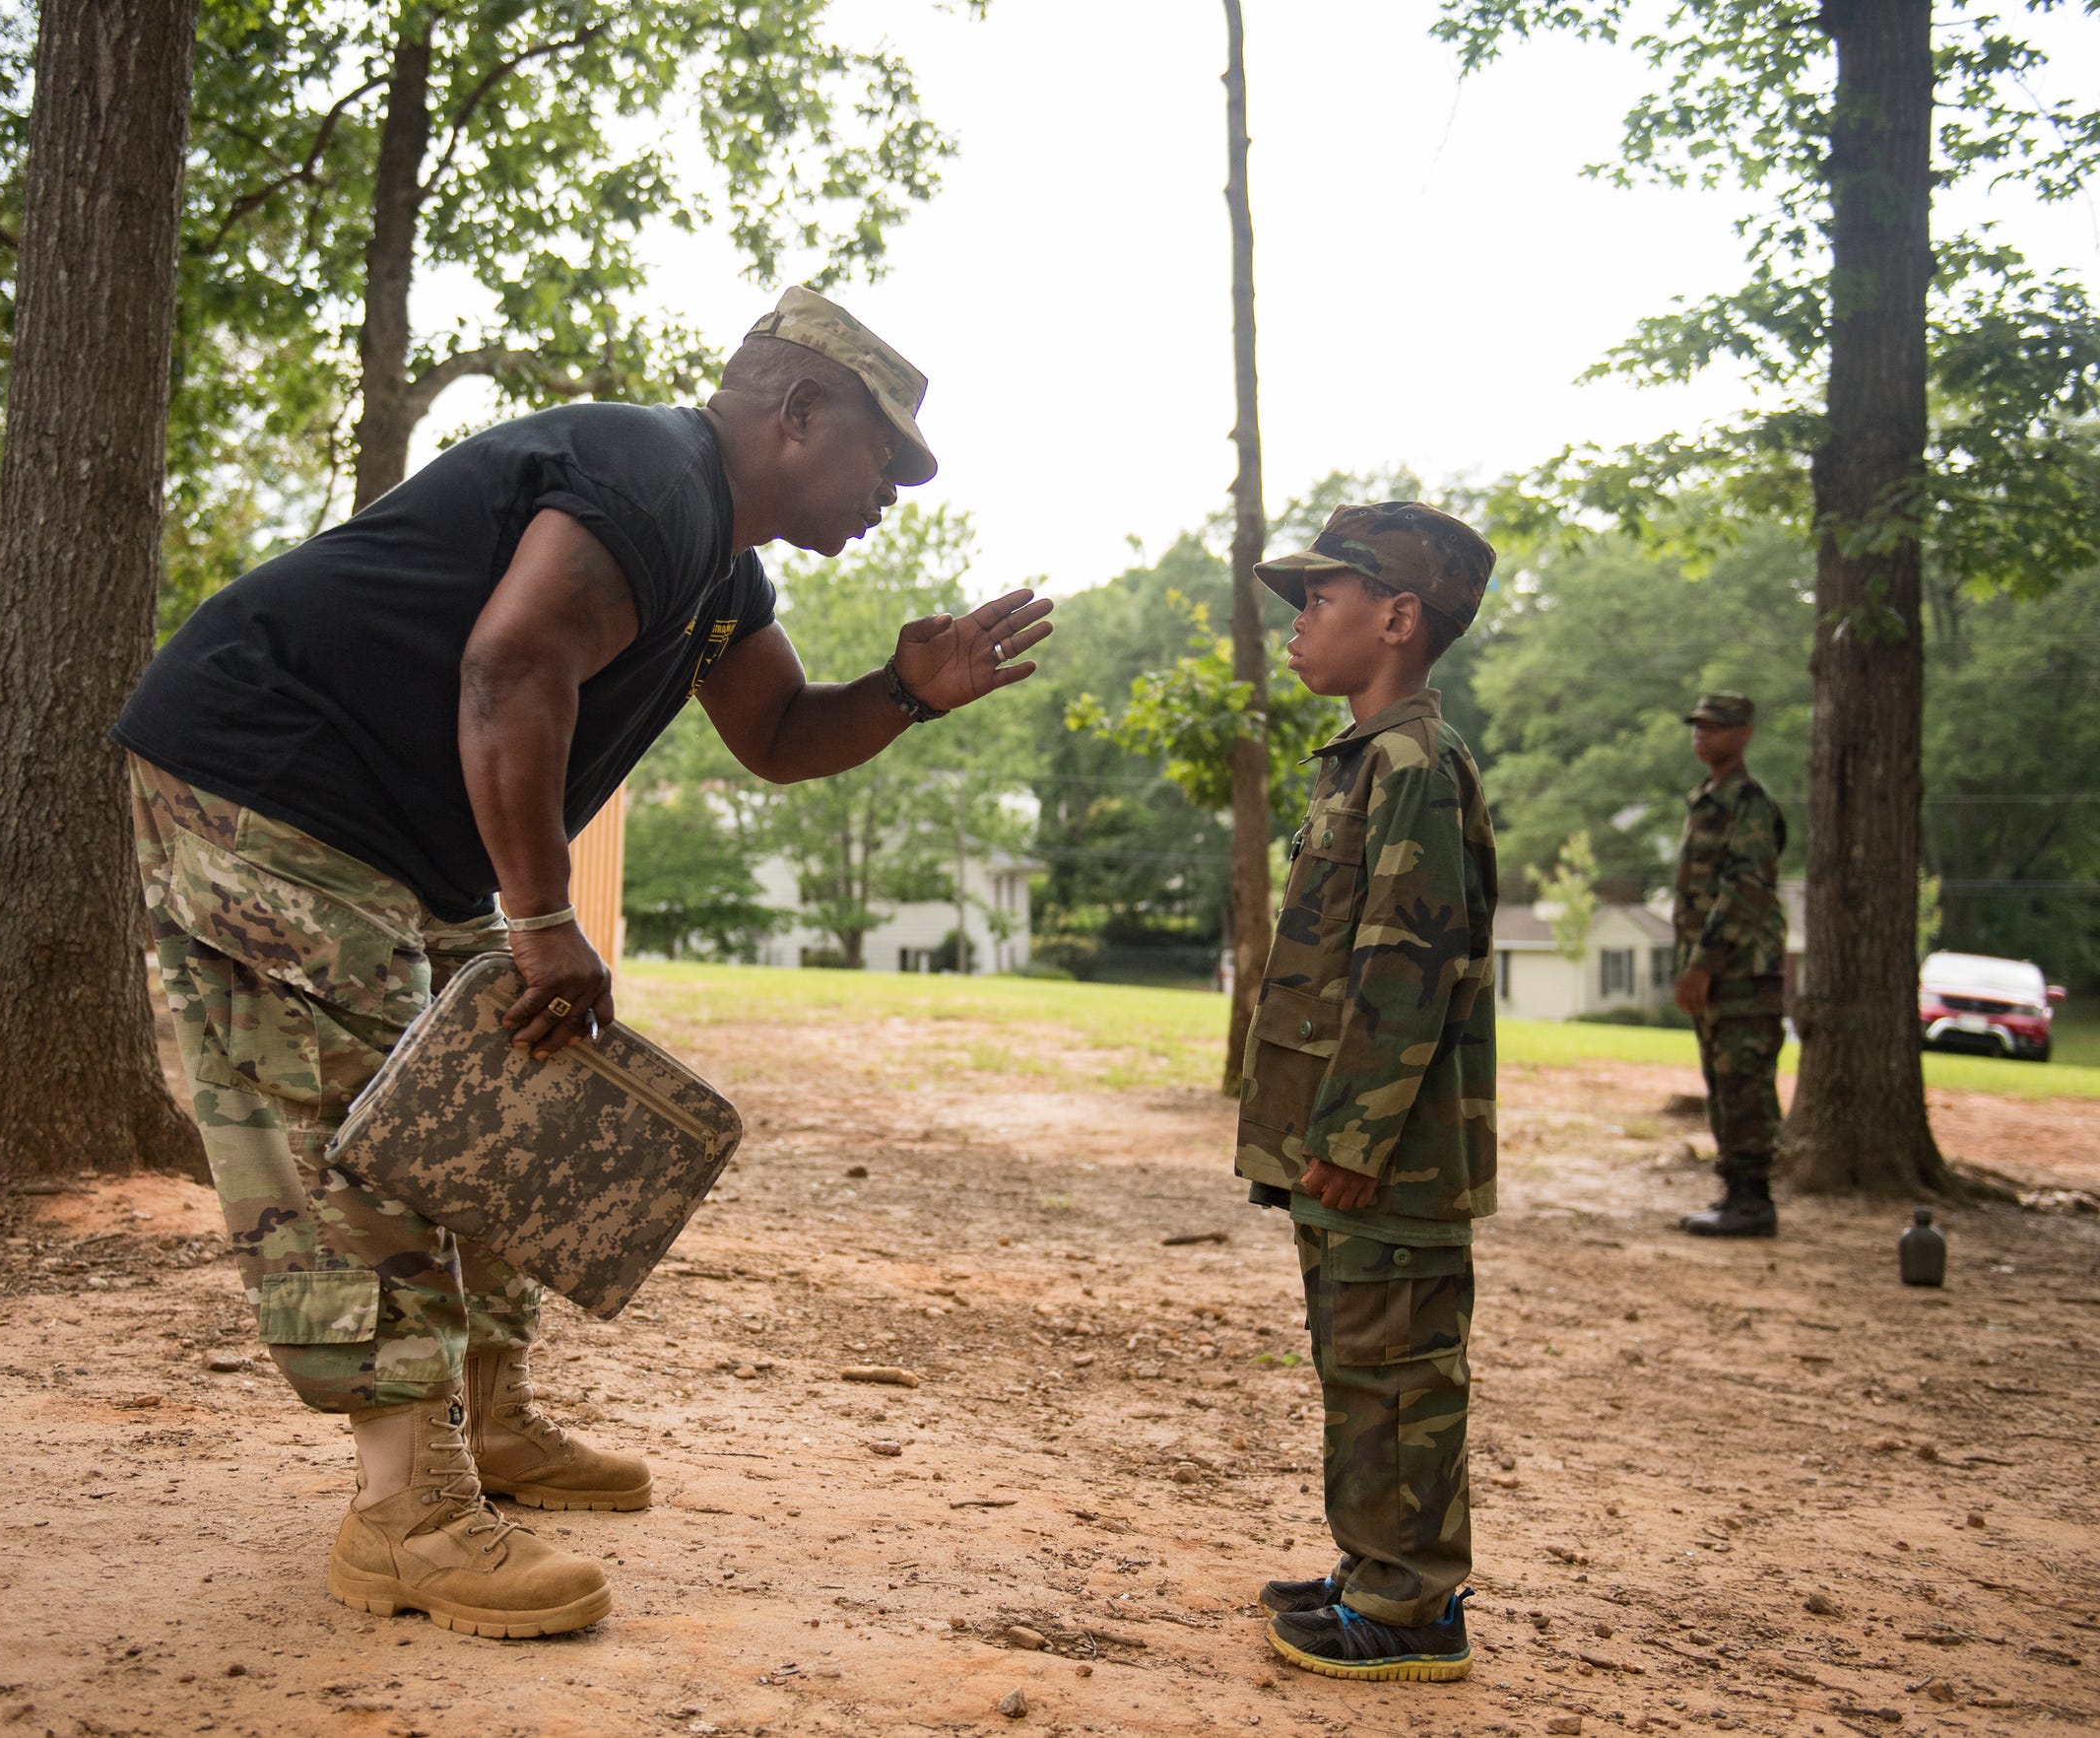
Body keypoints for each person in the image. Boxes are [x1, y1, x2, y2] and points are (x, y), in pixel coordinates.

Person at [111, 287, 1053, 1638]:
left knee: (498, 1097)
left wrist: (902, 692)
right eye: (882, 456)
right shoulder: (647, 475)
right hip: (271, 781)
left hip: (400, 831)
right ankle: (407, 1517)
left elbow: (778, 732)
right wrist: (543, 919)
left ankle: (495, 1423)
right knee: (340, 1130)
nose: (892, 490)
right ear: (797, 413)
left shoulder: (719, 568)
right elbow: (513, 665)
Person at [1234, 502, 1497, 1682]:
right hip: (1350, 1143)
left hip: (1389, 1149)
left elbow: (1409, 967)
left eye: (1320, 601)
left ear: (1396, 619)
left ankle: (1412, 1610)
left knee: (1399, 1371)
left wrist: (1350, 1135)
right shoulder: (1365, 763)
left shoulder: (1415, 767)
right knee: (1360, 1361)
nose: (1297, 625)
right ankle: (1373, 1567)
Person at [1670, 693, 1788, 1237]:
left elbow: (1746, 887)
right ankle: (1735, 1192)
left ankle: (1753, 1199)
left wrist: (1703, 964)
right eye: (1698, 726)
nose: (1702, 735)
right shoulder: (1706, 799)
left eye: (1716, 727)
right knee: (1721, 1082)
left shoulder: (1750, 803)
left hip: (1743, 972)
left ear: (1744, 735)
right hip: (1714, 973)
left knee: (1744, 1085)